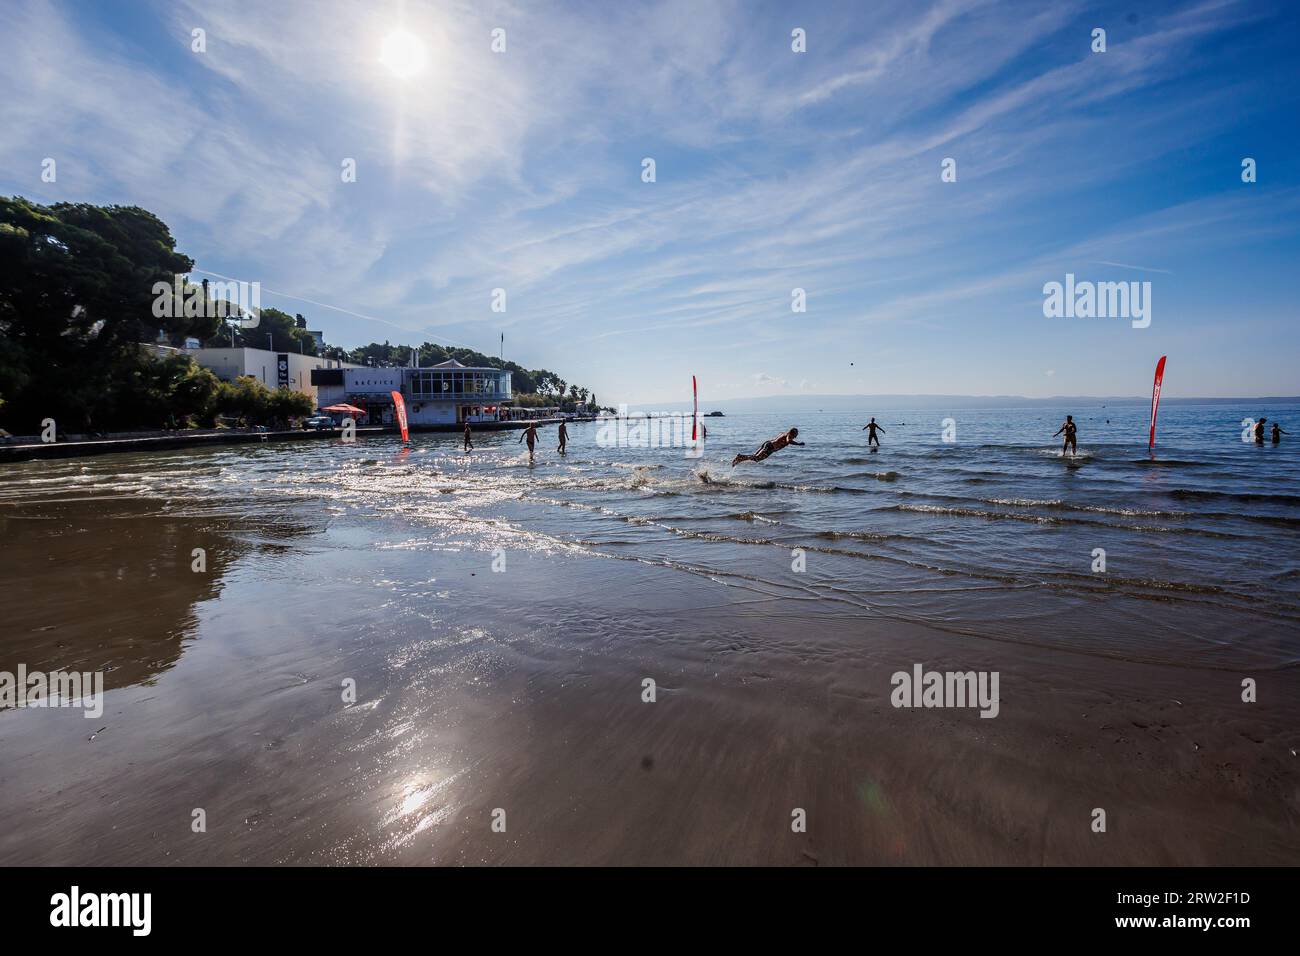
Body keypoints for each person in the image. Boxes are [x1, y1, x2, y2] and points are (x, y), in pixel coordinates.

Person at [731, 427, 804, 466]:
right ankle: (740, 457)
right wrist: (798, 444)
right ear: (793, 433)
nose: (797, 435)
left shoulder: (784, 433)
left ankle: (740, 458)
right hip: (770, 447)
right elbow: (788, 441)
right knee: (757, 458)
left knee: (755, 457)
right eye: (796, 434)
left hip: (768, 443)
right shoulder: (789, 436)